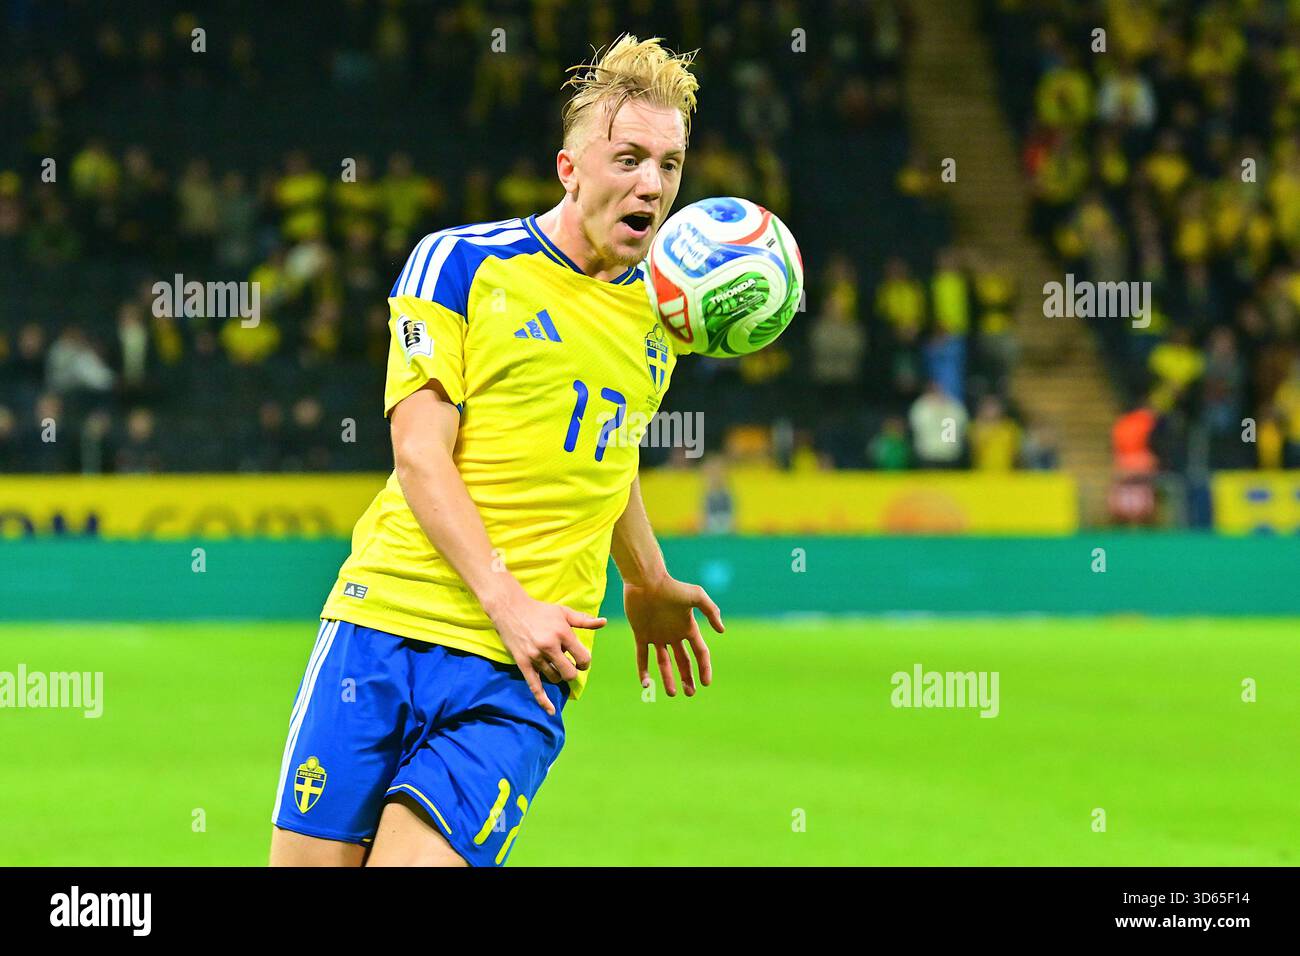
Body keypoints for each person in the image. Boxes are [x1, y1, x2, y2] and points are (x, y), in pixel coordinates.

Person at [269, 35, 723, 868]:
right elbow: (419, 454)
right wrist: (503, 596)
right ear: (570, 168)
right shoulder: (462, 264)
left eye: (670, 164)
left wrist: (645, 576)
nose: (653, 186)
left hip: (522, 670)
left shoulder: (665, 320)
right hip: (382, 625)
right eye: (629, 158)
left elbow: (602, 455)